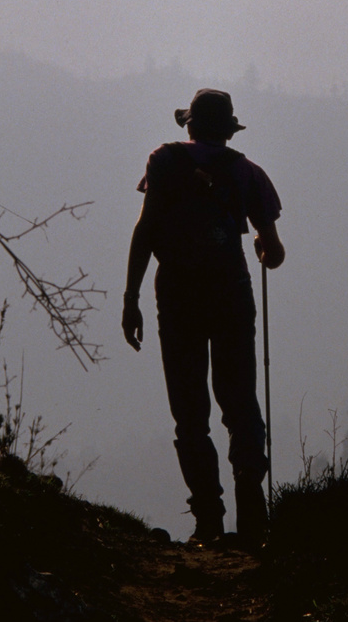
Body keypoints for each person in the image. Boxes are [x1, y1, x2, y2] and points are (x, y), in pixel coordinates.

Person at [122, 88, 284, 547]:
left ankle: (208, 520)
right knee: (239, 402)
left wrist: (130, 297)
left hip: (176, 293)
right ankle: (252, 515)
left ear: (189, 126)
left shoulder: (164, 162)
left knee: (190, 412)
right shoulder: (248, 173)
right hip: (230, 292)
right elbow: (273, 254)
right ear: (229, 130)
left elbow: (146, 228)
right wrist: (260, 248)